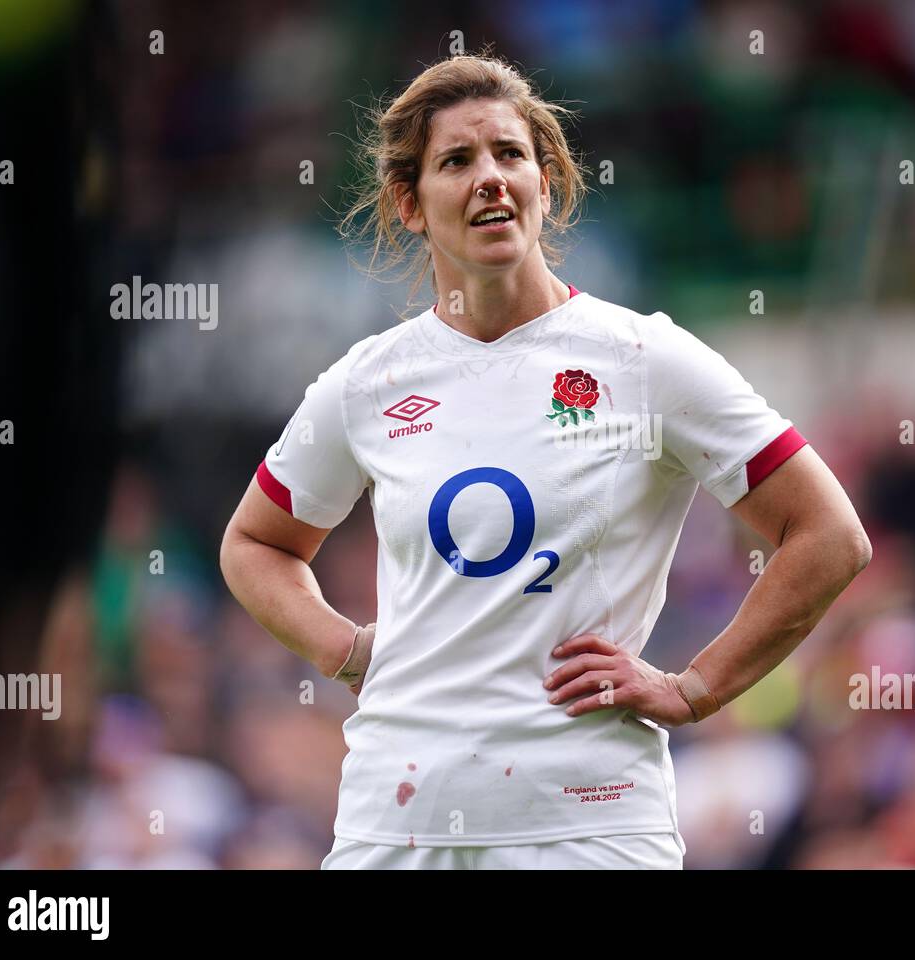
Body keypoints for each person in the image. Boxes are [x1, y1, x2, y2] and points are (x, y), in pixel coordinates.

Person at [219, 52, 871, 870]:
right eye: (457, 160)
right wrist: (345, 650)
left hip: (589, 831)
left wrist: (693, 687)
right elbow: (254, 545)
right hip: (398, 825)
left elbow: (828, 535)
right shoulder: (367, 383)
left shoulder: (643, 358)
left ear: (546, 183)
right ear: (408, 203)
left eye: (510, 155)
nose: (490, 177)